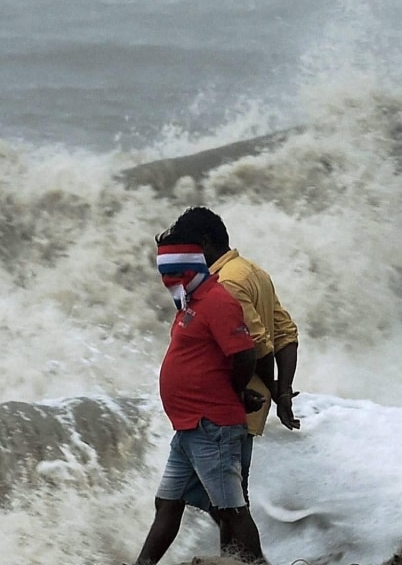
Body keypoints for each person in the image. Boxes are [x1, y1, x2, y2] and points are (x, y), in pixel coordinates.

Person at [135, 224, 268, 565]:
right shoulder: (191, 301)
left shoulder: (218, 300)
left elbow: (245, 353)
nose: (164, 278)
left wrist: (237, 392)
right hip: (189, 427)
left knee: (232, 511)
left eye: (169, 270)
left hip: (212, 426)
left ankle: (256, 564)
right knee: (168, 502)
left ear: (187, 266)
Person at [170, 206, 302, 439]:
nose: (184, 257)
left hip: (224, 413)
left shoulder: (226, 282)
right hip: (238, 412)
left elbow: (258, 344)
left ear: (206, 242)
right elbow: (285, 333)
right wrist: (282, 391)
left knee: (226, 475)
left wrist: (272, 389)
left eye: (188, 248)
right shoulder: (252, 271)